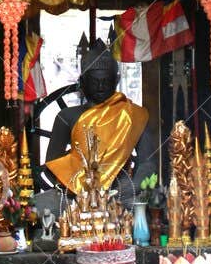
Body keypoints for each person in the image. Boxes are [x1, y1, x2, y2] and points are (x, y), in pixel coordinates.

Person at [45, 38, 148, 193]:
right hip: (77, 192)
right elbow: (52, 164)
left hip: (121, 192)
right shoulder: (67, 116)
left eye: (106, 82)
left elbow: (149, 162)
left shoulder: (132, 114)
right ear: (82, 82)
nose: (100, 87)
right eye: (94, 82)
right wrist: (72, 190)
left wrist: (127, 190)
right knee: (43, 204)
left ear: (117, 80)